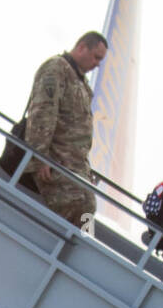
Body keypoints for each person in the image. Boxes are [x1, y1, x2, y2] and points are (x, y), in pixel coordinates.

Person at [23, 32, 108, 227]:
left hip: (74, 164)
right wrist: (39, 156)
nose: (97, 64)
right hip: (54, 160)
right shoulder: (56, 69)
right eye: (96, 57)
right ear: (81, 48)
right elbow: (43, 112)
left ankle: (68, 251)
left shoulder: (81, 82)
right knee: (76, 203)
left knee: (88, 207)